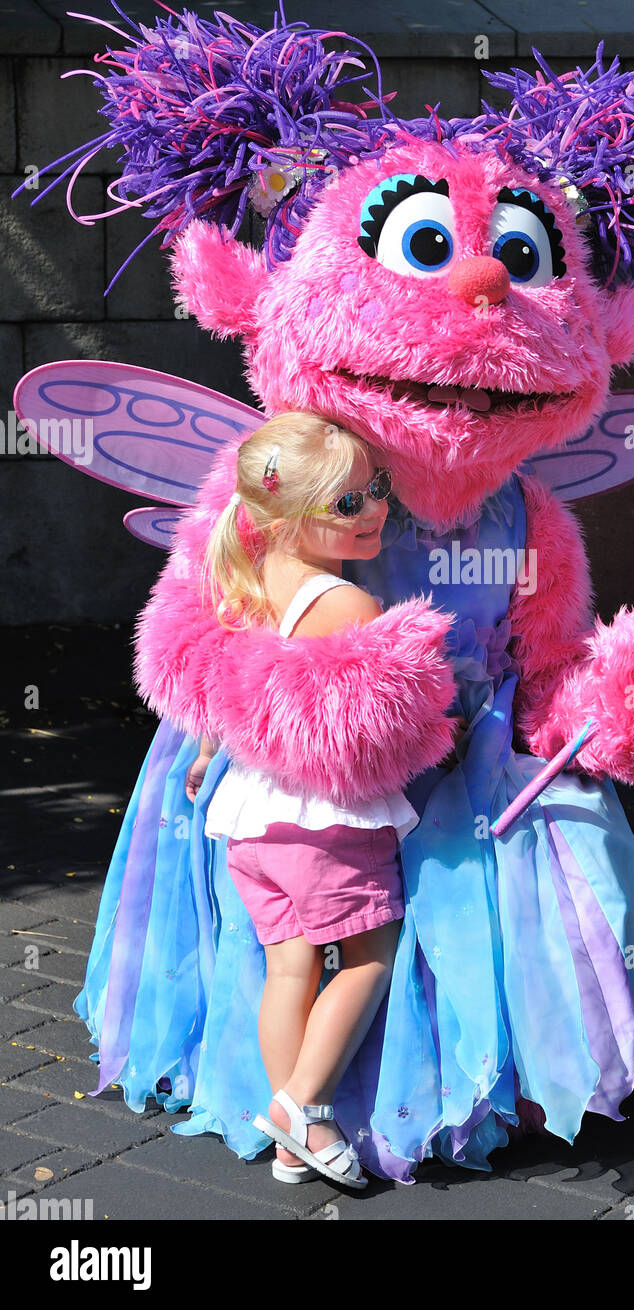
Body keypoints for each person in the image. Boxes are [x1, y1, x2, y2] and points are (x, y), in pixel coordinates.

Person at [186, 411, 423, 1189]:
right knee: (369, 957)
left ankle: (294, 1141)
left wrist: (207, 751)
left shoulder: (242, 587)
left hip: (250, 823)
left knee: (290, 969)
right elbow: (369, 734)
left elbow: (233, 697)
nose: (377, 509)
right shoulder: (347, 609)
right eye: (349, 504)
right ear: (287, 518)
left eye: (377, 489)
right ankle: (303, 1104)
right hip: (326, 825)